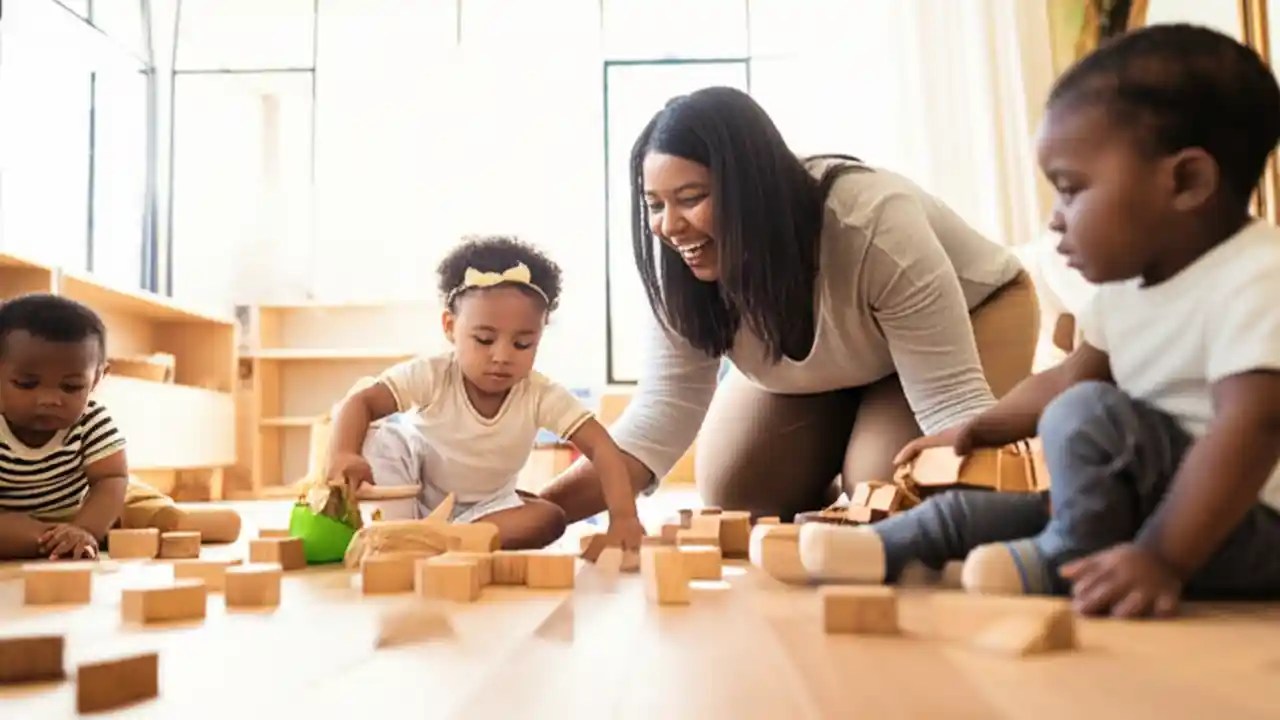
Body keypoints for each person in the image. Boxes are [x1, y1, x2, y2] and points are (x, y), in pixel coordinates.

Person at [797, 23, 1280, 618]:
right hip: (1155, 506)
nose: (1055, 220)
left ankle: (1060, 560)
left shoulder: (1257, 280)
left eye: (1071, 191)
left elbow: (1252, 428)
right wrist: (978, 427)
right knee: (973, 507)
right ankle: (880, 550)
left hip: (1247, 524)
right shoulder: (1127, 288)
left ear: (1186, 181)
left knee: (1088, 417)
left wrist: (1161, 557)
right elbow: (1067, 377)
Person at [541, 86, 1038, 522]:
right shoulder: (681, 257)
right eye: (654, 204)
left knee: (883, 490)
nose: (669, 226)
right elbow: (657, 420)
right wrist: (537, 513)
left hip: (977, 314)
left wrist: (1027, 493)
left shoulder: (872, 225)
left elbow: (952, 405)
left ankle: (862, 471)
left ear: (749, 190)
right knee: (737, 493)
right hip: (842, 357)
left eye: (691, 197)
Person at [326, 236, 644, 550]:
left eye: (522, 344)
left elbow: (602, 447)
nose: (502, 356)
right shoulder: (433, 374)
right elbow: (361, 402)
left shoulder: (539, 393)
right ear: (450, 327)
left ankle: (437, 541)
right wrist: (344, 455)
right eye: (484, 340)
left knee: (548, 517)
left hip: (487, 512)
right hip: (411, 497)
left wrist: (624, 517)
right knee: (375, 436)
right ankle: (406, 531)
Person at [0, 294, 128, 560]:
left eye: (71, 387)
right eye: (26, 384)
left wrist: (84, 529)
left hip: (75, 516)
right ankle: (51, 541)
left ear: (96, 380)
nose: (49, 400)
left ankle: (71, 540)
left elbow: (111, 479)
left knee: (131, 505)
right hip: (10, 522)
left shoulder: (91, 421)